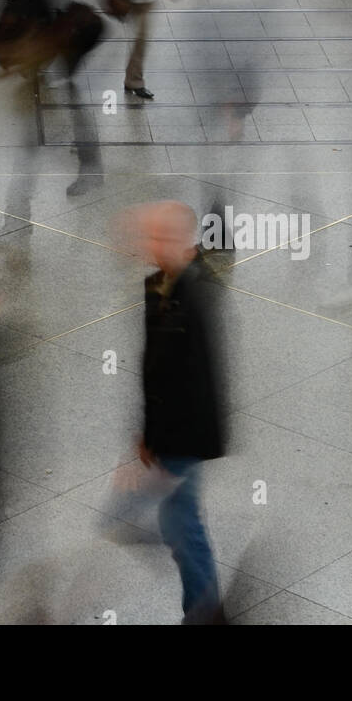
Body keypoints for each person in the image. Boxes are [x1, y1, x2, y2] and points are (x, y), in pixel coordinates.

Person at [105, 202, 226, 624]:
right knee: (179, 524)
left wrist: (166, 450)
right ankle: (204, 610)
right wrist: (145, 436)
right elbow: (154, 371)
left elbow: (195, 384)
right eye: (151, 237)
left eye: (163, 237)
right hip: (168, 436)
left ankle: (205, 613)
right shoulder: (159, 285)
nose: (154, 245)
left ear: (186, 241)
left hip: (183, 437)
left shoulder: (193, 297)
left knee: (178, 526)